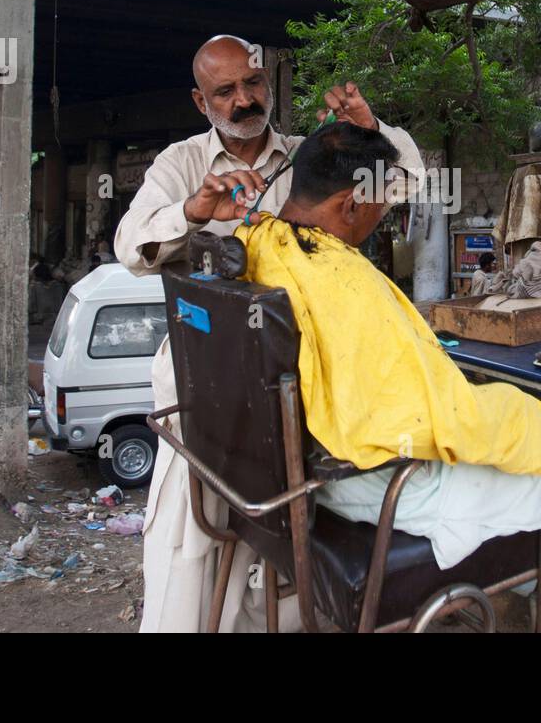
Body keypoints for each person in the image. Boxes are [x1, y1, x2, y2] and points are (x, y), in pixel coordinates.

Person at [160, 121, 541, 633]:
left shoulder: (260, 238)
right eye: (381, 207)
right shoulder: (343, 281)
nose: (382, 221)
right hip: (377, 482)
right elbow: (438, 418)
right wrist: (518, 414)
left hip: (295, 477)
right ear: (353, 202)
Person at [114, 35, 422, 632]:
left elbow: (402, 184)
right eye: (224, 92)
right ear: (201, 102)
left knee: (280, 541)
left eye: (252, 84)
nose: (243, 101)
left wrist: (370, 126)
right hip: (205, 381)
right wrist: (194, 212)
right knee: (199, 543)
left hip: (301, 380)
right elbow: (131, 248)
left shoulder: (310, 156)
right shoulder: (181, 165)